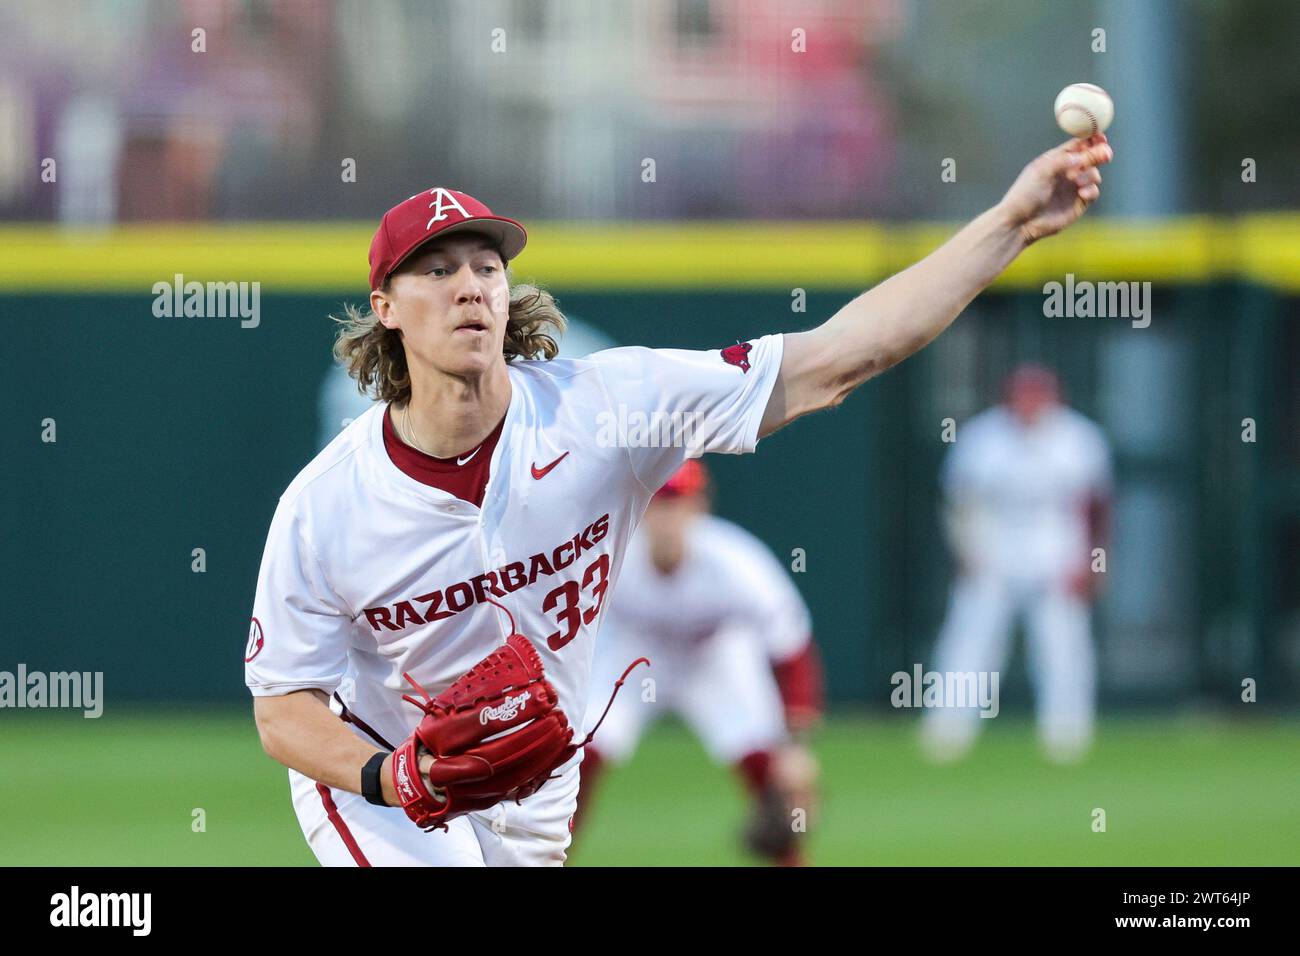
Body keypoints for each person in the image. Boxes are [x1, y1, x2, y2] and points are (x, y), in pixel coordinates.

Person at [246, 135, 1112, 867]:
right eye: (436, 269)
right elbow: (283, 706)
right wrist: (390, 776)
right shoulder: (326, 505)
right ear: (385, 307)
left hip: (532, 785)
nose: (470, 284)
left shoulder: (607, 409)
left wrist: (1010, 225)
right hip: (382, 780)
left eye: (485, 264)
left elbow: (839, 357)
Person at [573, 460, 823, 866]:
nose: (668, 516)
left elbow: (792, 646)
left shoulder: (736, 561)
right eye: (658, 502)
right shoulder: (609, 556)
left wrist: (796, 748)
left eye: (678, 502)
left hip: (714, 659)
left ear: (699, 507)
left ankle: (792, 861)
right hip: (636, 659)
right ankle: (548, 858)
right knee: (580, 755)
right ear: (640, 507)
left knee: (768, 767)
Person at [921, 365, 1114, 764]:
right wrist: (967, 553)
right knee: (969, 642)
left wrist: (1093, 562)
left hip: (1056, 555)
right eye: (1021, 397)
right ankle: (947, 731)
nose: (1029, 406)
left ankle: (1066, 735)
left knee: (1063, 646)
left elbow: (1097, 506)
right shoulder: (982, 437)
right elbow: (959, 502)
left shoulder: (1079, 438)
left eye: (1037, 396)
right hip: (993, 555)